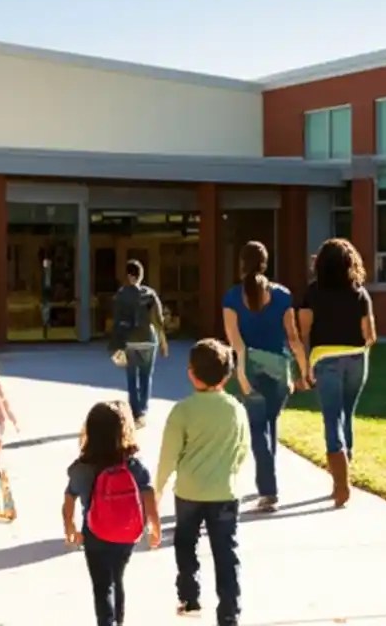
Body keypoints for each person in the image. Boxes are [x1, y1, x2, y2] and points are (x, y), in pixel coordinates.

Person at [155, 339, 250, 626]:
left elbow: (168, 456)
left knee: (185, 543)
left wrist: (157, 489)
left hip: (189, 491)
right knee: (226, 552)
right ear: (227, 375)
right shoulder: (236, 409)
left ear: (190, 373)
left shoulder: (182, 411)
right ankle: (230, 612)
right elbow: (243, 448)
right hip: (225, 491)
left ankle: (189, 597)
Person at [221, 241, 309, 513]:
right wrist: (304, 370)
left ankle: (268, 491)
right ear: (265, 263)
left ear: (241, 264)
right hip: (281, 372)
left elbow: (237, 345)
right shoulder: (283, 295)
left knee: (259, 429)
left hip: (252, 370)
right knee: (269, 424)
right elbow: (293, 339)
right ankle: (268, 484)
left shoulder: (232, 298)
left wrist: (242, 376)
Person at [62, 401, 161, 626]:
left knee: (102, 585)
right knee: (118, 578)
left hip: (95, 532)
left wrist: (70, 526)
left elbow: (69, 498)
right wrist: (155, 525)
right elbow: (148, 493)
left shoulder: (82, 467)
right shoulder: (133, 465)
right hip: (127, 532)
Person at [297, 238, 377, 508]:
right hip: (356, 359)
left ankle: (340, 485)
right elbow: (370, 335)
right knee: (347, 415)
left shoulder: (312, 293)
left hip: (326, 359)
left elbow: (304, 331)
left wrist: (306, 366)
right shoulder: (360, 294)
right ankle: (346, 475)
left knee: (332, 420)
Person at [108, 259, 168, 428]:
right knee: (146, 377)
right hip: (149, 340)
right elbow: (159, 320)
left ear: (127, 275)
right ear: (141, 275)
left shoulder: (120, 295)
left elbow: (117, 321)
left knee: (131, 378)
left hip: (130, 342)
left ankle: (134, 413)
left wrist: (116, 345)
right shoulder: (149, 294)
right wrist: (163, 342)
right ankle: (142, 412)